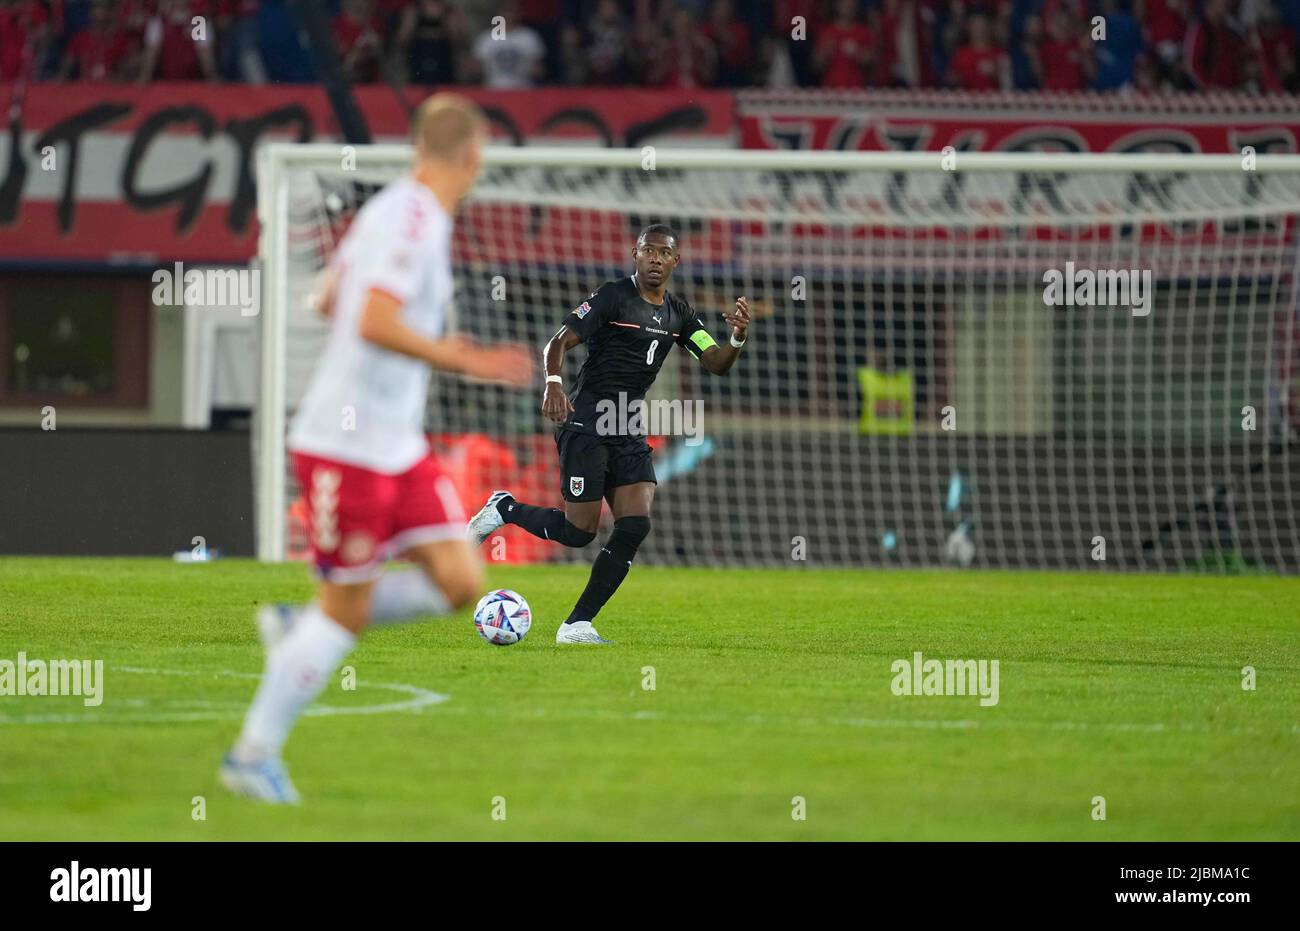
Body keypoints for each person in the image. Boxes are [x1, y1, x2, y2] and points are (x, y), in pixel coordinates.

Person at [221, 94, 534, 803]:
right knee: (349, 611)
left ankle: (300, 624)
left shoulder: (390, 211)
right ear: (474, 155)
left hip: (398, 445)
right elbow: (369, 318)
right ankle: (251, 754)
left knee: (460, 583)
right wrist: (462, 358)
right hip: (344, 443)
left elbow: (328, 300)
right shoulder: (415, 222)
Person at [467, 225, 751, 645]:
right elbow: (557, 343)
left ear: (676, 261)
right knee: (578, 531)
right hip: (588, 423)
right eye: (648, 251)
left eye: (664, 253)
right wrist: (553, 383)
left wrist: (738, 337)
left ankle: (576, 624)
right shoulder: (612, 297)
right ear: (634, 255)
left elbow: (715, 362)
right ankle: (504, 508)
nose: (655, 259)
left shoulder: (680, 314)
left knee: (635, 525)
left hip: (628, 426)